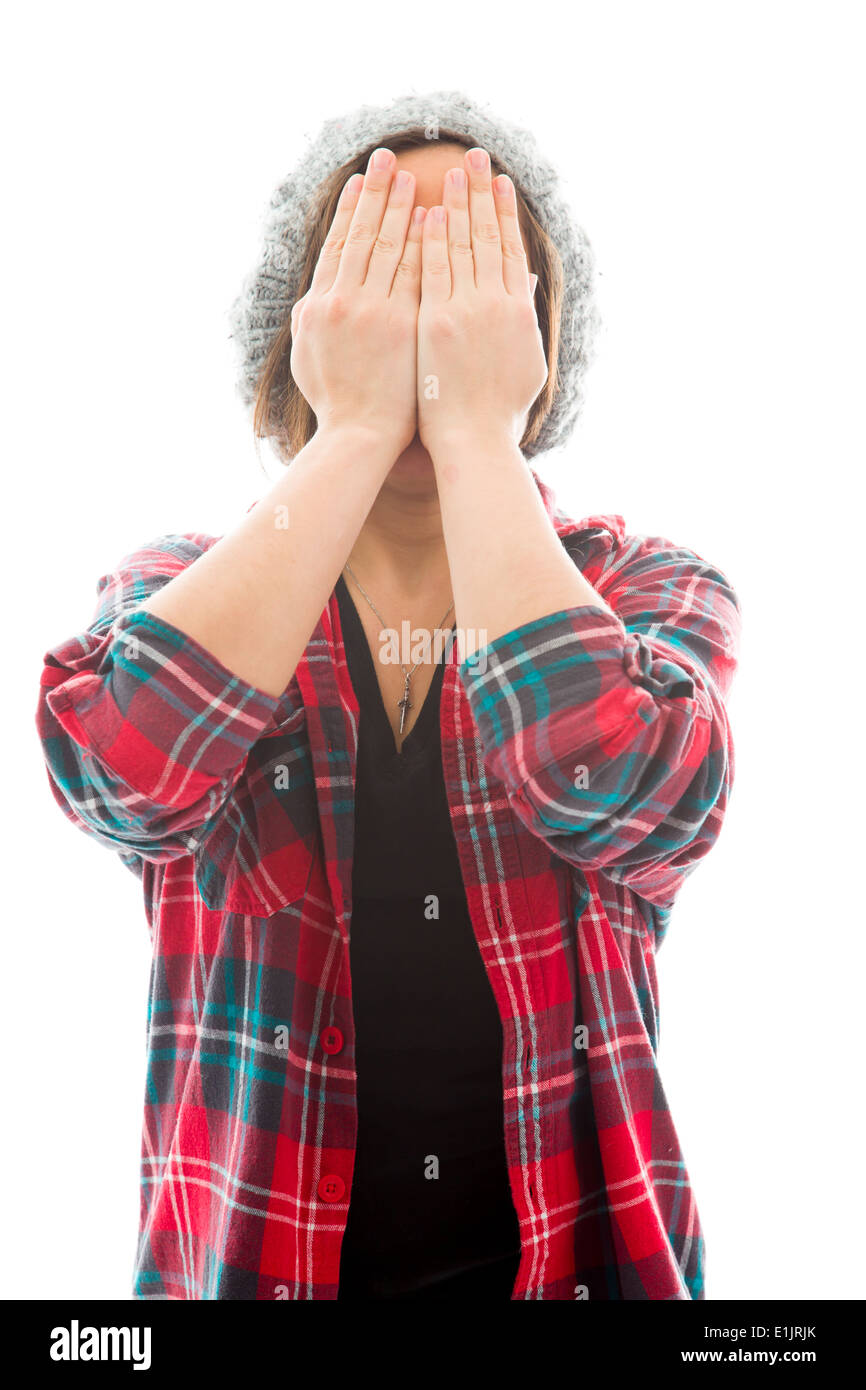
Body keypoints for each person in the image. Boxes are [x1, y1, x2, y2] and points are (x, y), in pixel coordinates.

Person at [36, 90, 741, 1300]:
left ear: (530, 334)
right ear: (304, 323)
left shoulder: (638, 588)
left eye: (473, 275)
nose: (427, 318)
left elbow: (638, 790)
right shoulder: (182, 588)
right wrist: (357, 424)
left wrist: (474, 438)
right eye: (381, 270)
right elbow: (118, 772)